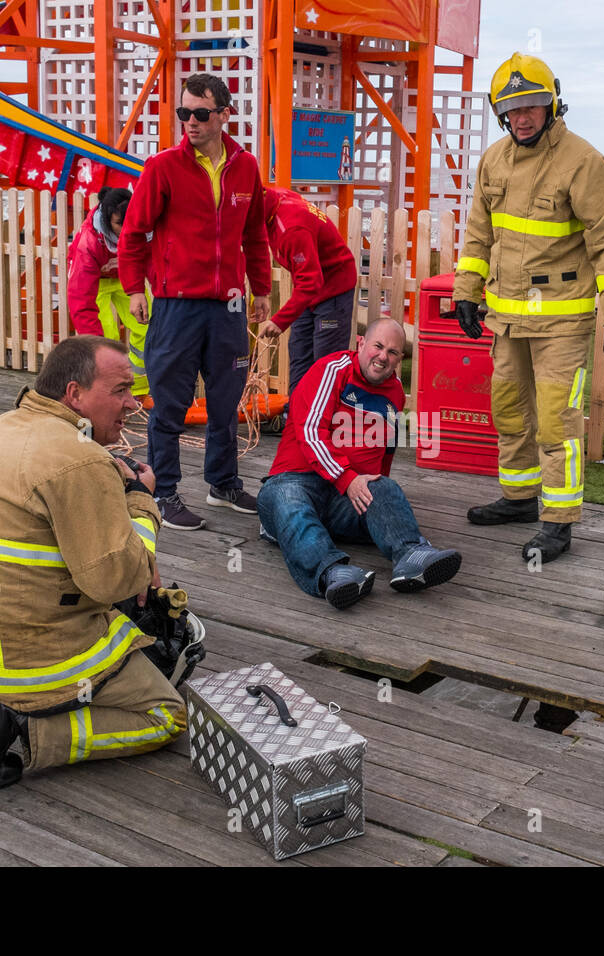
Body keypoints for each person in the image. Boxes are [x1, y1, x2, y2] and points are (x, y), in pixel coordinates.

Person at [0, 336, 185, 791]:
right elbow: (119, 580)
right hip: (25, 662)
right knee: (166, 715)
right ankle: (21, 730)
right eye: (120, 390)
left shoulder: (4, 426)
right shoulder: (80, 461)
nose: (134, 404)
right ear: (74, 394)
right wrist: (142, 503)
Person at [452, 52, 604, 564]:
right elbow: (477, 235)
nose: (523, 118)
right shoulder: (493, 159)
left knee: (557, 422)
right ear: (500, 113)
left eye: (533, 106)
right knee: (510, 412)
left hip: (561, 320)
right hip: (507, 321)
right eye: (512, 110)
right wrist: (466, 291)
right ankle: (518, 499)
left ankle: (558, 522)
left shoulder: (584, 162)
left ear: (553, 104)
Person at [119, 72, 272, 532]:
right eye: (184, 113)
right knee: (169, 402)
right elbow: (133, 233)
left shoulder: (245, 167)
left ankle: (222, 483)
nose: (190, 121)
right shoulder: (162, 167)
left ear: (224, 115)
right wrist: (133, 289)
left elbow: (254, 234)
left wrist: (260, 289)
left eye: (201, 114)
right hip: (176, 307)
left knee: (226, 401)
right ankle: (163, 493)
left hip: (227, 307)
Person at [257, 319, 461, 609]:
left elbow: (386, 451)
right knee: (288, 502)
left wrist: (379, 500)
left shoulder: (394, 392)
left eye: (392, 352)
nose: (383, 357)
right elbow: (311, 431)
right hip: (295, 481)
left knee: (383, 487)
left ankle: (411, 556)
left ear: (399, 360)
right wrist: (346, 478)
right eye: (378, 346)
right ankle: (332, 573)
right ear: (361, 343)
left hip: (345, 498)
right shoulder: (334, 369)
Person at [257, 186, 358, 392]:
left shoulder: (292, 230)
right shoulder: (276, 198)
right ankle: (295, 412)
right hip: (307, 292)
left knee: (326, 360)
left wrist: (280, 320)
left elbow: (311, 282)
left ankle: (323, 417)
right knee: (299, 350)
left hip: (334, 289)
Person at [66, 186, 150, 402]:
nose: (126, 229)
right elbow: (81, 296)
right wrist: (92, 343)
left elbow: (154, 264)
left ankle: (139, 389)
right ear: (106, 221)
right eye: (119, 224)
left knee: (146, 325)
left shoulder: (143, 232)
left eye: (130, 221)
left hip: (125, 276)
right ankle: (107, 389)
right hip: (96, 282)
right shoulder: (89, 243)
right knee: (103, 334)